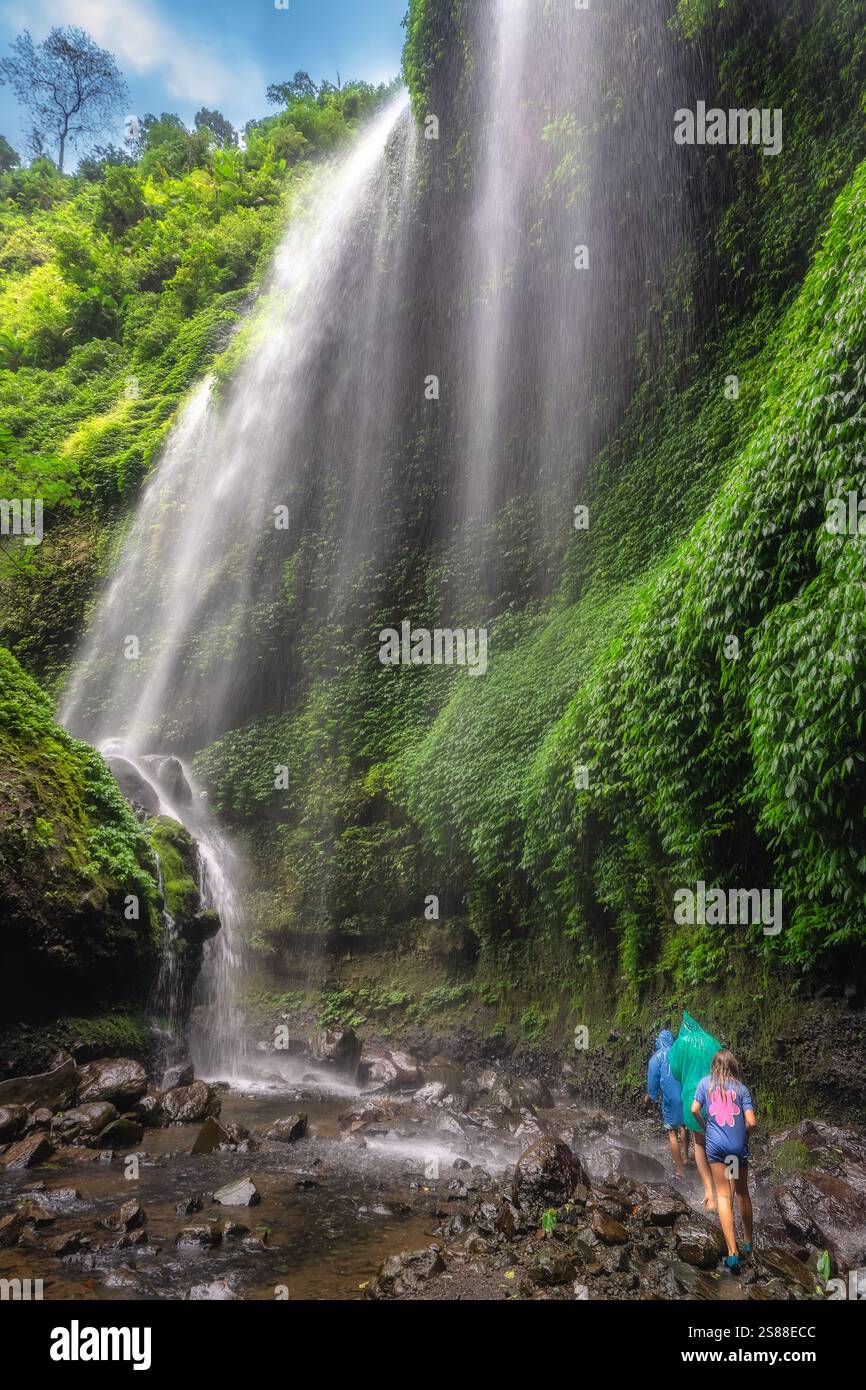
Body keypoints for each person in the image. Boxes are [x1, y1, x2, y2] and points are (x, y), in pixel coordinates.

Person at [691, 1049, 757, 1273]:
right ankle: (748, 1242)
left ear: (714, 1065)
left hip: (717, 1147)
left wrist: (706, 1125)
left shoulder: (704, 1084)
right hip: (736, 1149)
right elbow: (752, 1122)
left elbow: (694, 1110)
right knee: (741, 1192)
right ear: (733, 1066)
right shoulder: (741, 1088)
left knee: (722, 1194)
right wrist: (745, 1135)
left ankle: (732, 1254)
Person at [667, 1011, 721, 1213]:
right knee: (717, 1140)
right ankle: (722, 1187)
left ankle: (709, 1192)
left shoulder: (681, 1042)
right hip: (717, 1096)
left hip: (693, 1096)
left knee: (700, 1143)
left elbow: (675, 1070)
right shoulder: (712, 1041)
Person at [644, 1029, 690, 1176]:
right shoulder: (680, 1053)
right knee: (684, 1125)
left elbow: (653, 1079)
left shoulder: (656, 1058)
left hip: (669, 1098)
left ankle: (679, 1170)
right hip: (684, 1094)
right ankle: (686, 1156)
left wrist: (650, 1095)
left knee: (671, 1131)